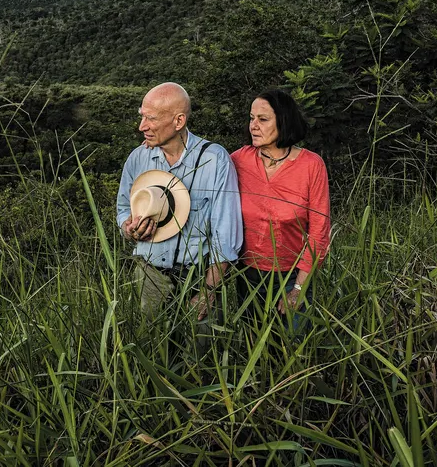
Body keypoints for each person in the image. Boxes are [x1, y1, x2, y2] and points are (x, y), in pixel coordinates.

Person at [117, 82, 243, 328]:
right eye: (142, 117)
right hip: (150, 275)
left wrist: (208, 289)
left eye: (150, 119)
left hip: (199, 276)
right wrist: (128, 227)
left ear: (179, 121)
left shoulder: (214, 159)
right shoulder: (138, 158)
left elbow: (226, 234)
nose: (142, 127)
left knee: (202, 354)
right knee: (157, 352)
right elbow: (123, 207)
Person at [231, 89, 331, 326]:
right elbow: (204, 166)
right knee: (253, 347)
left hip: (293, 274)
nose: (253, 126)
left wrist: (298, 288)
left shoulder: (311, 165)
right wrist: (162, 143)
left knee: (293, 349)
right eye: (251, 118)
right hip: (247, 275)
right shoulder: (239, 160)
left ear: (283, 121)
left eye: (262, 119)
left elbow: (319, 231)